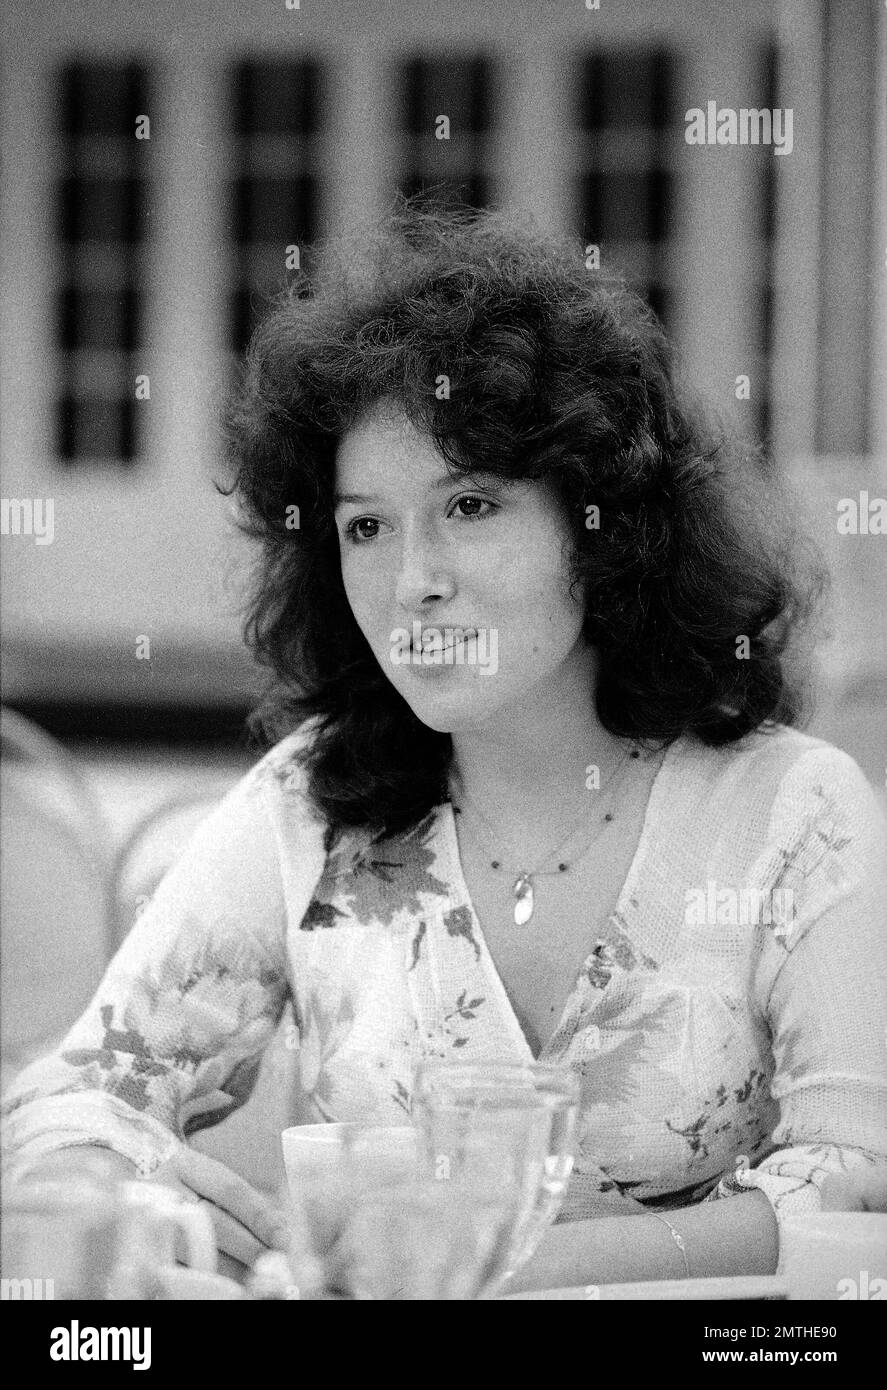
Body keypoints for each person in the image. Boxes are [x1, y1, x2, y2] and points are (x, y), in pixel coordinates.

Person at [3, 198, 886, 1292]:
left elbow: (852, 1182)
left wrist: (494, 1261)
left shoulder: (792, 813)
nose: (411, 575)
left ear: (598, 520)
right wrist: (128, 1200)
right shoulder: (311, 806)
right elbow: (74, 1095)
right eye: (365, 524)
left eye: (469, 504)